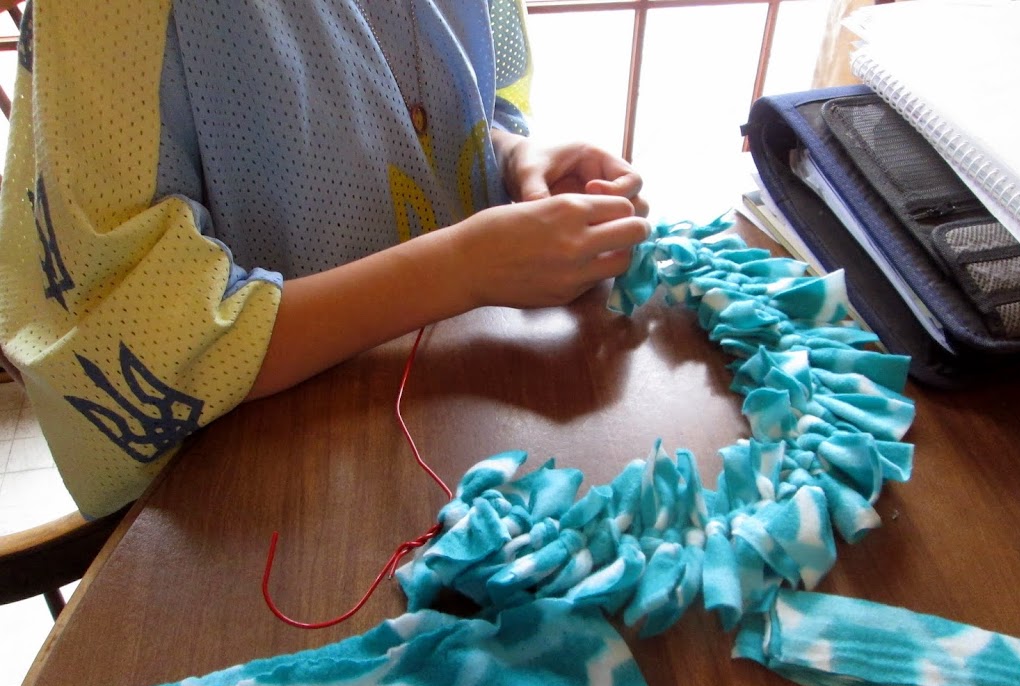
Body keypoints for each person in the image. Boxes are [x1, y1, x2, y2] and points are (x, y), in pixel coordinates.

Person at [0, 0, 650, 519]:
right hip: (271, 499)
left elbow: (482, 95)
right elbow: (145, 332)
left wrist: (509, 157)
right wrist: (463, 267)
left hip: (469, 431)